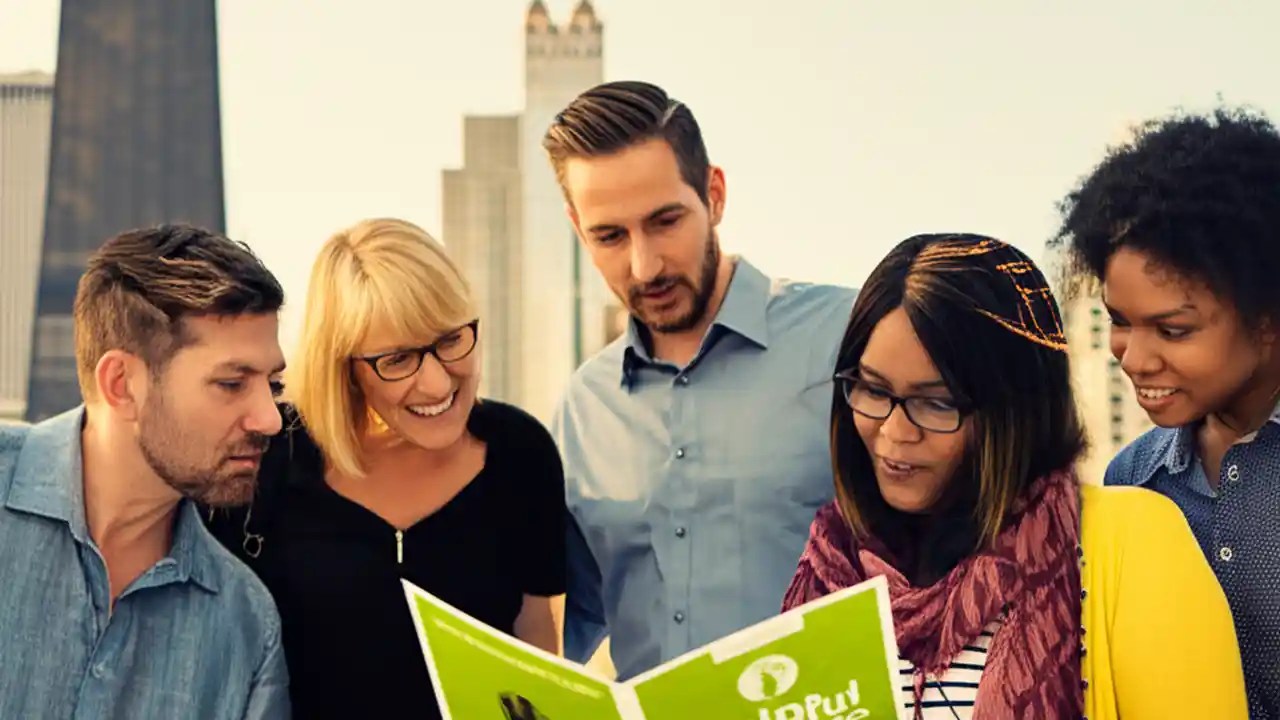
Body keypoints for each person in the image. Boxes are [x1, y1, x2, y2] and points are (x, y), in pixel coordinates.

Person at [783, 234, 1247, 719]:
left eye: (936, 403)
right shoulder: (832, 569)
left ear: (1015, 412)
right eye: (873, 391)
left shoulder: (1135, 543)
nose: (894, 432)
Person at [543, 80, 857, 679]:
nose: (645, 265)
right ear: (578, 229)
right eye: (610, 235)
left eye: (665, 221)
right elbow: (567, 632)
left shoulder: (847, 340)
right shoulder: (583, 409)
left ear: (714, 194)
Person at [204, 218, 566, 719]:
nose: (438, 384)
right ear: (344, 365)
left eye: (451, 340)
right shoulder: (266, 455)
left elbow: (536, 647)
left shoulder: (520, 453)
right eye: (398, 360)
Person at [0, 225, 290, 719]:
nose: (270, 418)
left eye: (274, 385)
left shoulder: (246, 627)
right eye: (231, 382)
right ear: (122, 384)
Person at [1051, 106, 1280, 719]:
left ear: (1268, 320)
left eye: (1173, 331)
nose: (1134, 357)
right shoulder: (1132, 479)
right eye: (1119, 322)